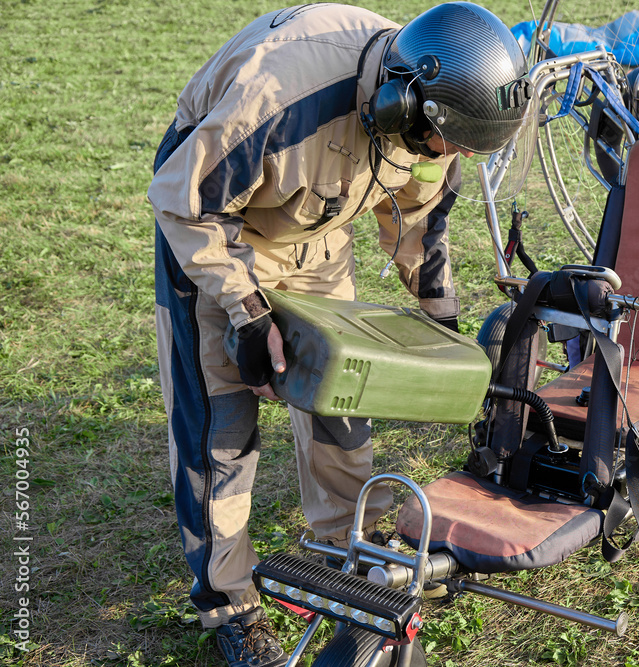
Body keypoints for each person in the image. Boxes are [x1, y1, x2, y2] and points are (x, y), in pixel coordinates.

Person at [148, 3, 530, 665]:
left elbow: (423, 221)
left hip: (317, 236)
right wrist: (247, 314)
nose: (458, 155)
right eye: (453, 143)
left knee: (341, 409)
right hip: (218, 231)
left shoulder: (445, 114)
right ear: (399, 107)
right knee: (221, 434)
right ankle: (230, 606)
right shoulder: (277, 100)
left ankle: (352, 557)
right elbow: (184, 198)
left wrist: (442, 321)